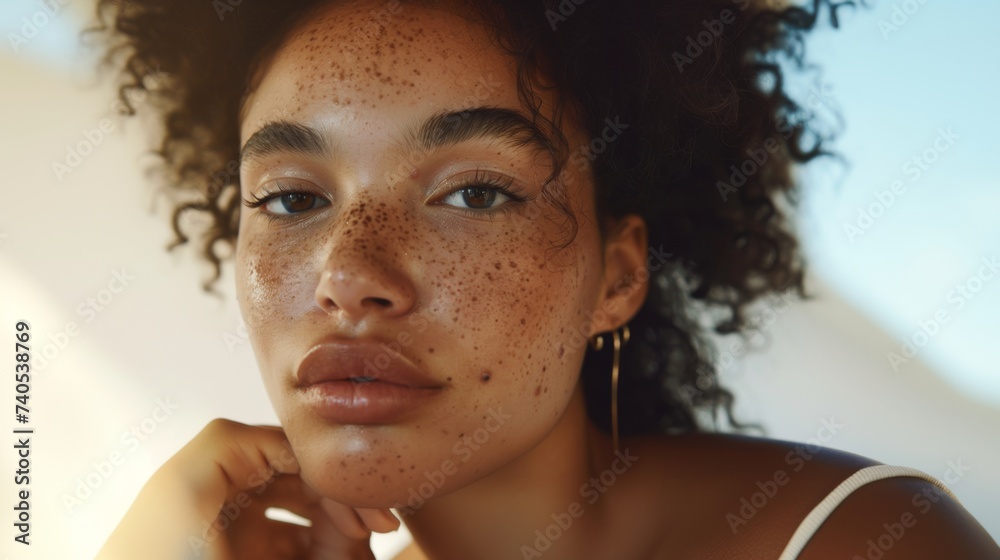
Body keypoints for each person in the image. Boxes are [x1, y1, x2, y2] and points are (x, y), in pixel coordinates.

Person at [92, 0, 999, 558]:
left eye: (474, 192)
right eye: (291, 200)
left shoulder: (862, 544)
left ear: (616, 273)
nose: (349, 276)